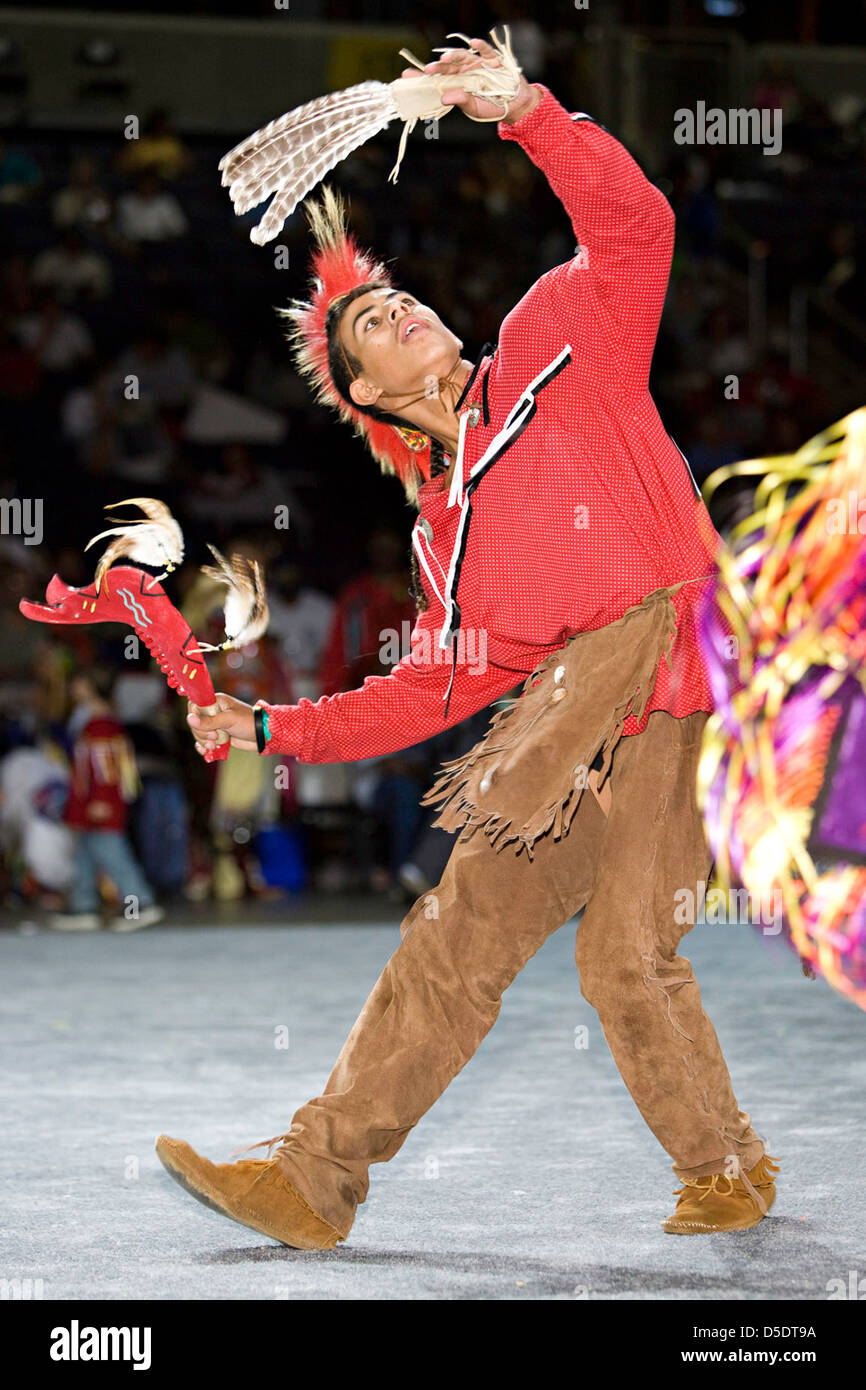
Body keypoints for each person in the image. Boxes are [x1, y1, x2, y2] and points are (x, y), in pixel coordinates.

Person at [159, 35, 778, 1247]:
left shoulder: (558, 333)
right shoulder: (442, 537)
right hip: (561, 726)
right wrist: (269, 725)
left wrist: (529, 113)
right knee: (454, 930)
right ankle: (310, 1176)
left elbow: (638, 229)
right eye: (369, 330)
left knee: (619, 957)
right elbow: (429, 690)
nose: (393, 308)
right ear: (372, 396)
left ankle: (726, 1167)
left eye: (395, 297)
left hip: (680, 675)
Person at [49, 667, 164, 932]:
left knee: (114, 856)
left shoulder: (99, 726)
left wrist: (100, 799)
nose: (72, 688)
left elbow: (105, 770)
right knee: (85, 854)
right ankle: (83, 906)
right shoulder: (100, 722)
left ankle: (140, 904)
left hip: (100, 805)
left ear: (89, 687)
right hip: (93, 803)